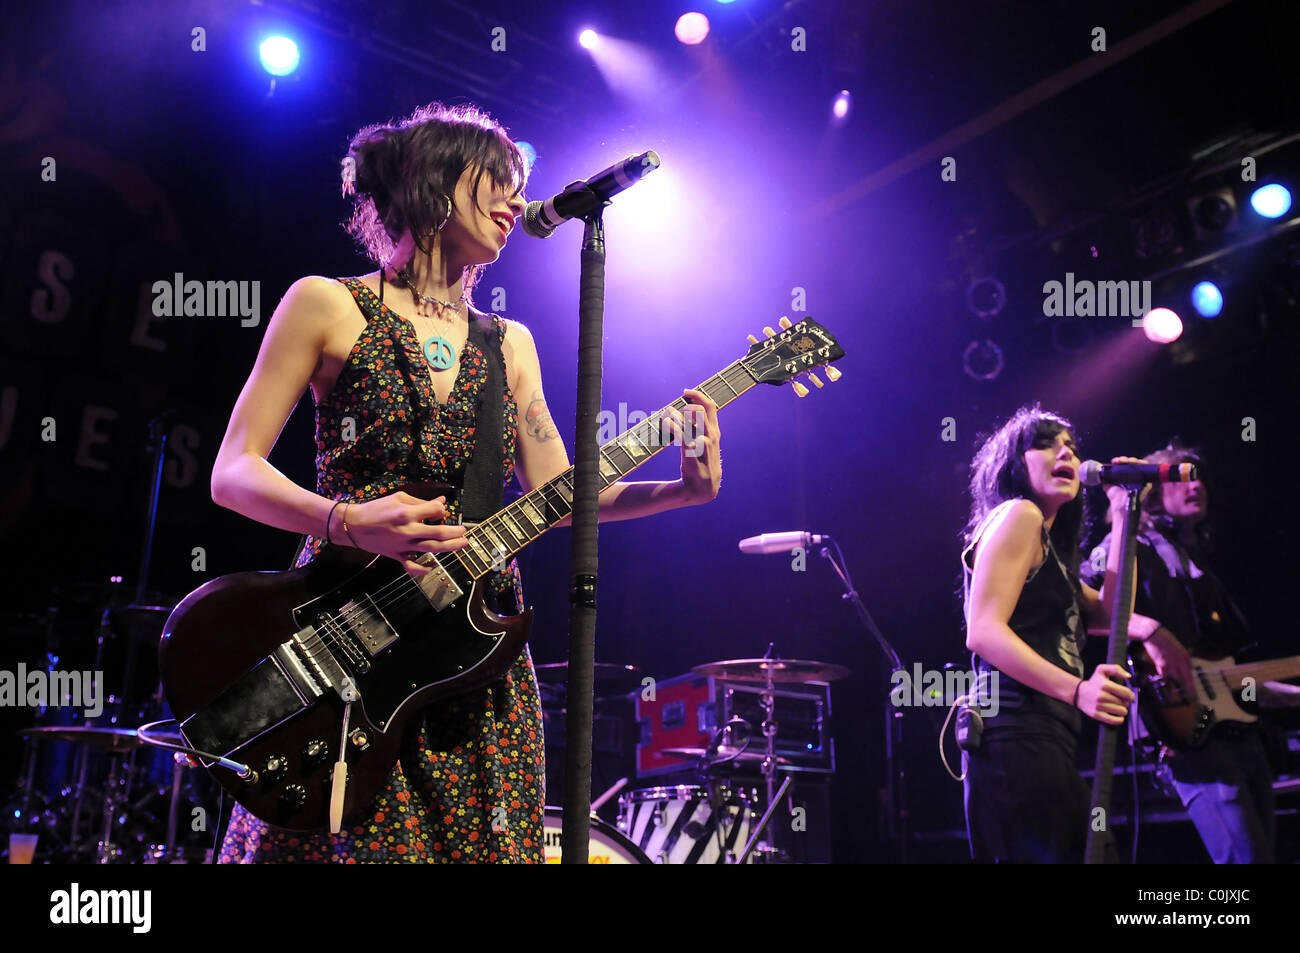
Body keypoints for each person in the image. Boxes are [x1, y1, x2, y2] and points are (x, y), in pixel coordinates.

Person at [209, 102, 722, 863]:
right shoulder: (326, 303)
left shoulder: (509, 344)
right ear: (437, 181)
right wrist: (347, 520)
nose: (518, 202)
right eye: (500, 182)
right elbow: (233, 471)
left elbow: (557, 503)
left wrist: (683, 490)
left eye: (522, 188)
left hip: (476, 659)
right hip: (347, 634)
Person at [959, 404, 1188, 863]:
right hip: (1016, 727)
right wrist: (1079, 690)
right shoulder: (1019, 514)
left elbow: (1110, 612)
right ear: (1014, 463)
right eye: (1045, 443)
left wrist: (1124, 513)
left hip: (1042, 731)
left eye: (1071, 446)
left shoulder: (1047, 548)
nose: (1065, 452)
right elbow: (982, 631)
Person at [1082, 440, 1300, 863]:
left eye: (1198, 476)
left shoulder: (1200, 571)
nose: (1195, 484)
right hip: (1186, 733)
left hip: (1240, 733)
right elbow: (1085, 609)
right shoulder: (1129, 547)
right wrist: (1149, 630)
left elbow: (1235, 681)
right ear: (1153, 490)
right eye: (1180, 476)